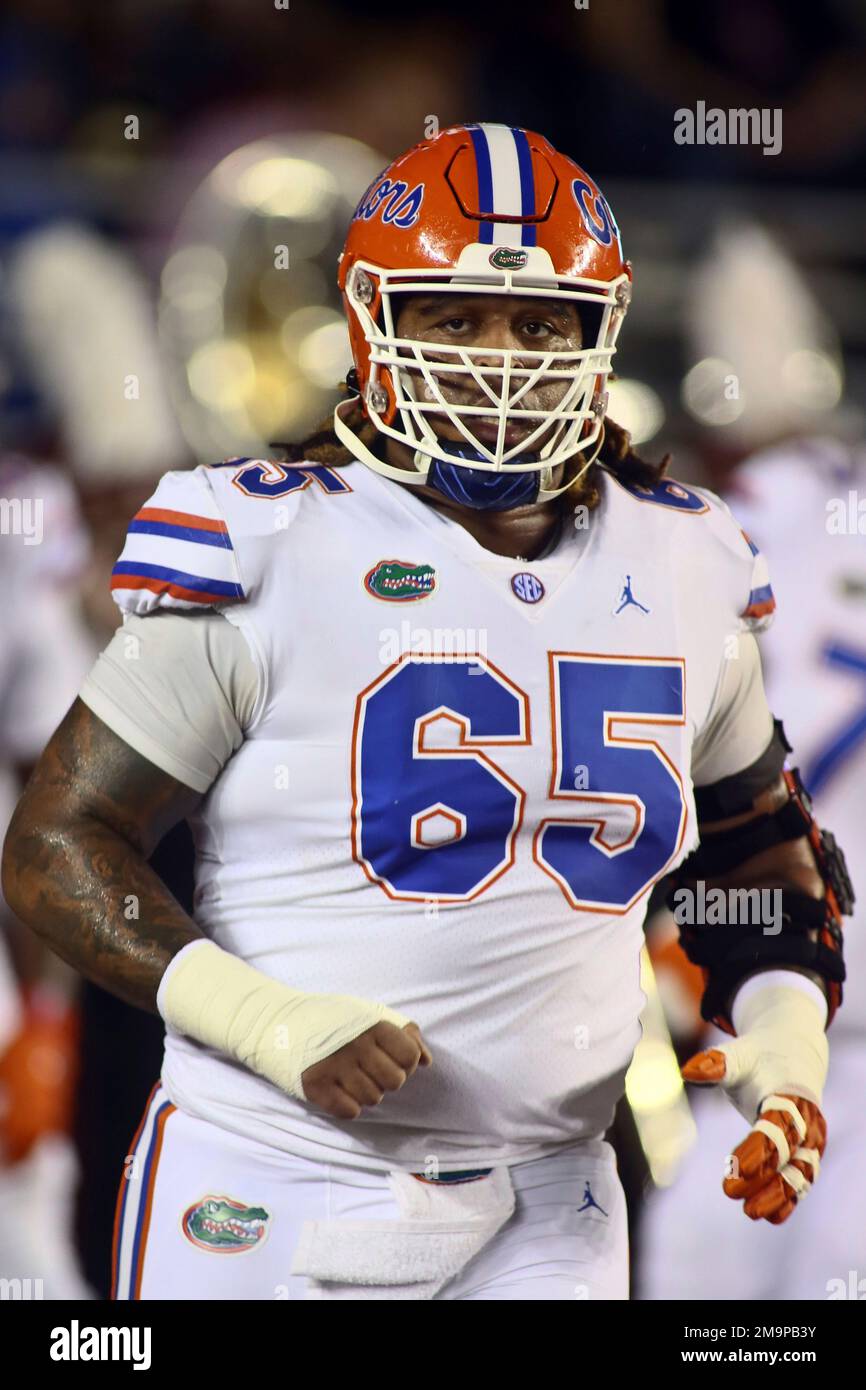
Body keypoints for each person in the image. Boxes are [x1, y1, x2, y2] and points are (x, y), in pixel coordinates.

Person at [1, 123, 851, 1302]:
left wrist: (780, 1037)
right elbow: (56, 845)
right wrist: (261, 1018)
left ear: (596, 334)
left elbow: (758, 845)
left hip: (553, 1202)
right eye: (454, 317)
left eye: (537, 323)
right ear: (371, 322)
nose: (498, 358)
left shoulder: (688, 557)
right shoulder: (265, 540)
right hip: (269, 1182)